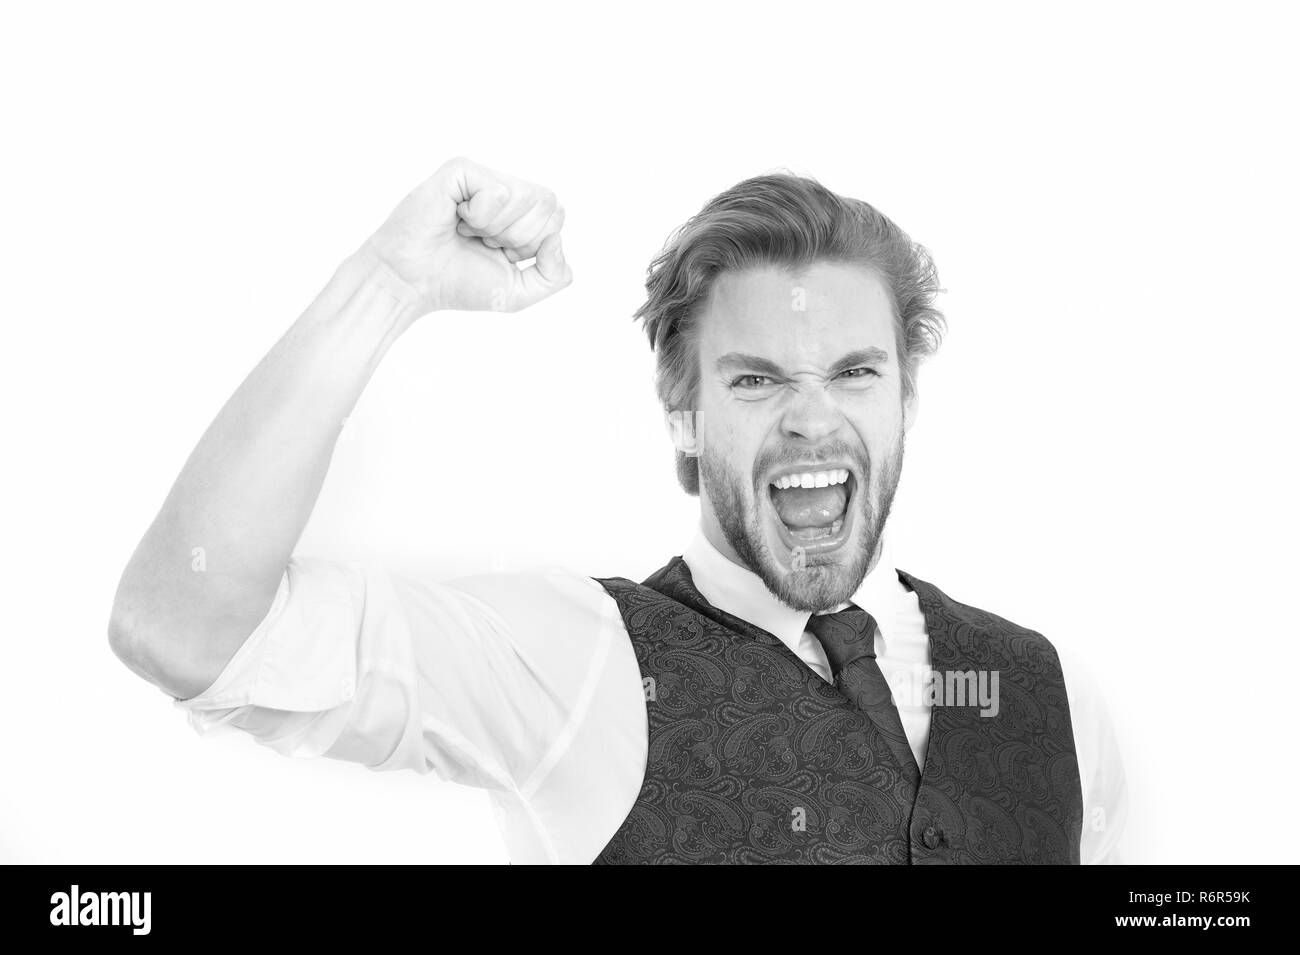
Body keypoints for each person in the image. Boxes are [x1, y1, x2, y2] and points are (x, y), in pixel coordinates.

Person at [108, 157, 1127, 864]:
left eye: (854, 371)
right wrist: (388, 283)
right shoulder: (576, 664)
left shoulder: (1049, 697)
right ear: (682, 417)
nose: (814, 419)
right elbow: (182, 627)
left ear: (905, 397)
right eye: (756, 381)